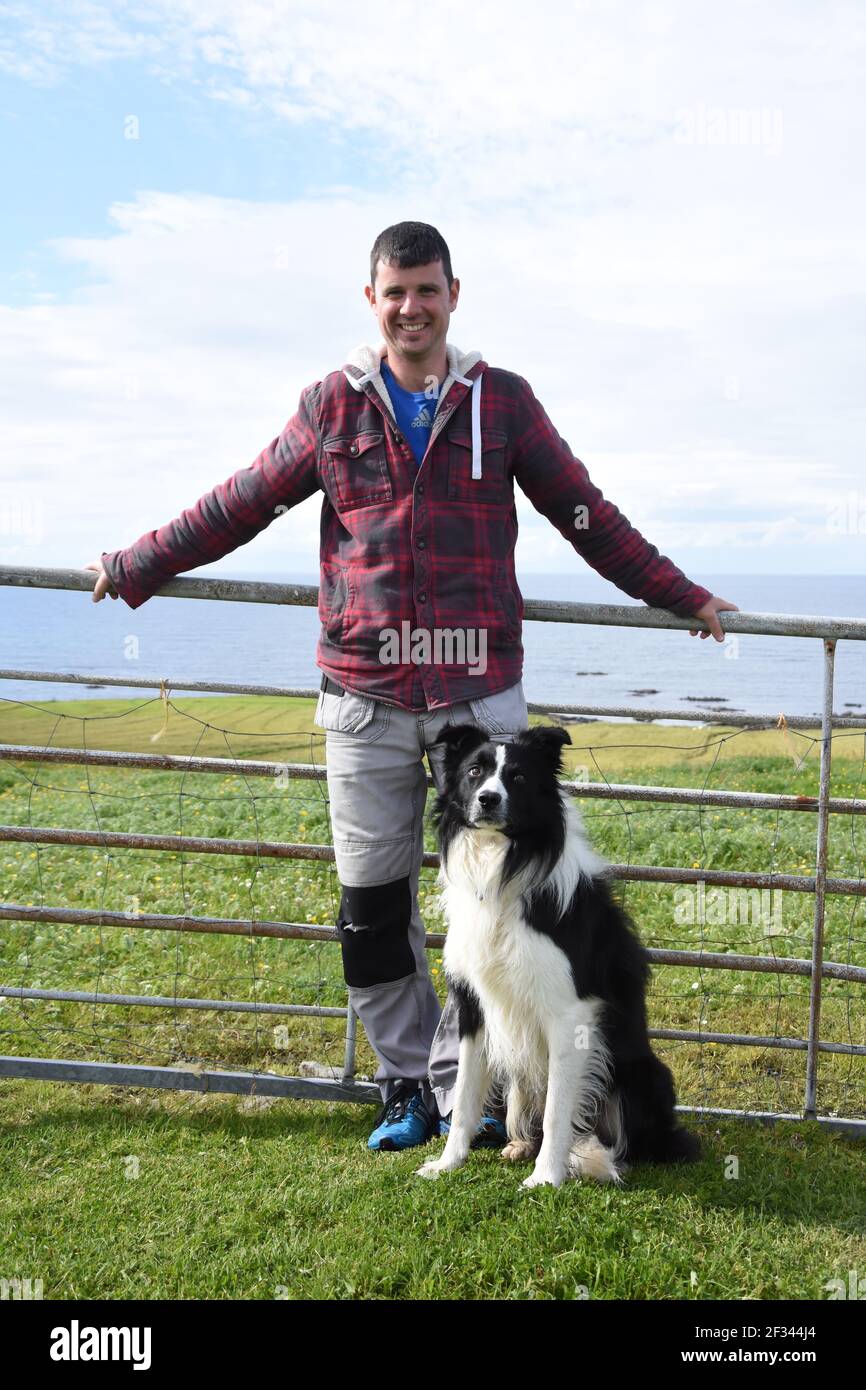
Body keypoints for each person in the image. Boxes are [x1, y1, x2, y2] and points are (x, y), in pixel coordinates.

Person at [88, 220, 738, 1153]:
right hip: (363, 696)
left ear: (453, 295)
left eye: (427, 290)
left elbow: (588, 515)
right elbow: (241, 502)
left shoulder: (503, 403)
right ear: (371, 301)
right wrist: (139, 563)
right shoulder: (331, 408)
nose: (411, 308)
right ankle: (412, 1088)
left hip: (479, 704)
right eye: (395, 293)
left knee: (495, 911)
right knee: (372, 908)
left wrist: (681, 595)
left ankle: (459, 1094)